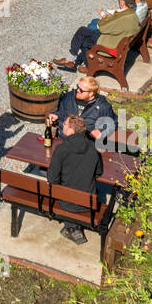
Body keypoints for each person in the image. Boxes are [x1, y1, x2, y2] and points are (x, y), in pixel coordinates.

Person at [53, 0, 142, 72]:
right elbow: (114, 26)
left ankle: (72, 60)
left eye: (120, 0)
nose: (119, 2)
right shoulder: (132, 15)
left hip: (110, 44)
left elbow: (103, 27)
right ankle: (76, 62)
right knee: (83, 37)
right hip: (118, 41)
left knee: (82, 32)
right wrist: (110, 18)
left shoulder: (123, 17)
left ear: (123, 3)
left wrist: (104, 18)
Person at [46, 116, 102, 244]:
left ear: (71, 130)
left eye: (65, 124)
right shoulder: (93, 148)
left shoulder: (61, 149)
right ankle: (72, 227)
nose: (62, 125)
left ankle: (71, 226)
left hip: (66, 203)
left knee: (64, 190)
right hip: (88, 203)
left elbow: (52, 179)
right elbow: (98, 172)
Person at [47, 75, 118, 143]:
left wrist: (101, 131)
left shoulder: (103, 106)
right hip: (63, 140)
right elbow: (61, 112)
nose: (77, 90)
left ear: (91, 93)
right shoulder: (68, 96)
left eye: (81, 90)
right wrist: (56, 115)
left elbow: (113, 122)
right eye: (77, 87)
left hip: (85, 145)